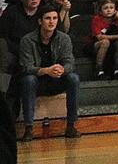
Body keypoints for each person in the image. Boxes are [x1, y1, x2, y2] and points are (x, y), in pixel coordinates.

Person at [18, 9, 80, 141]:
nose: (52, 22)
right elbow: (26, 67)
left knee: (73, 78)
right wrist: (46, 70)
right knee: (28, 80)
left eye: (55, 18)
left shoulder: (64, 38)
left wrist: (62, 69)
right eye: (48, 18)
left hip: (57, 80)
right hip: (38, 81)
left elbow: (70, 63)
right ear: (40, 21)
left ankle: (71, 125)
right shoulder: (27, 40)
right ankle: (29, 128)